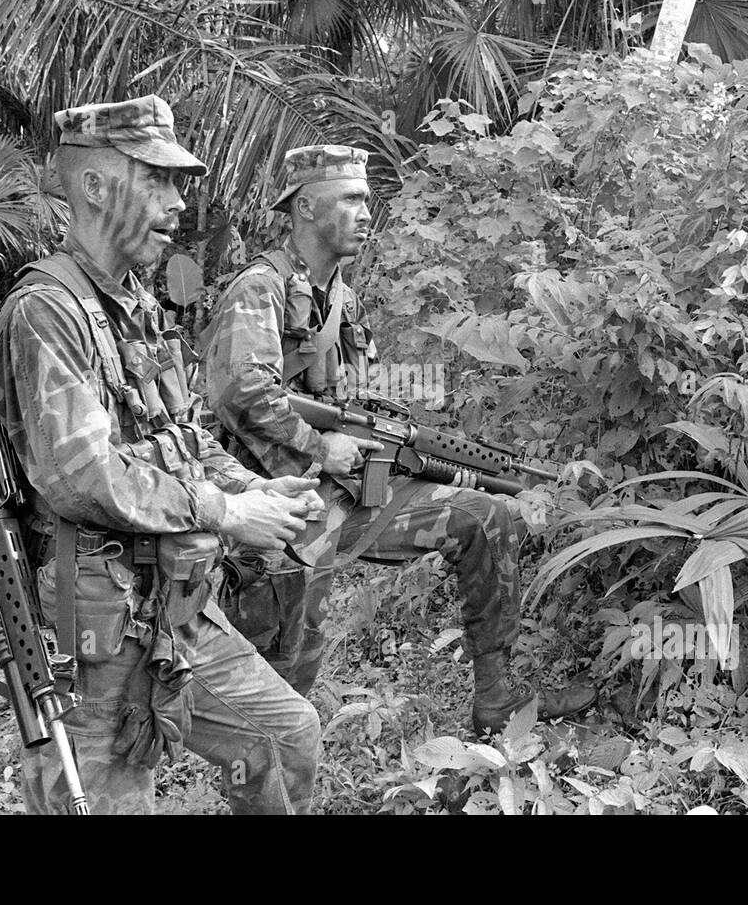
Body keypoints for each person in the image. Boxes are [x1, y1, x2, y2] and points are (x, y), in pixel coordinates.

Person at [0, 95, 323, 814]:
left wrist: (261, 491)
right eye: (157, 181)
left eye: (179, 185)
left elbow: (184, 433)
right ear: (97, 186)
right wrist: (229, 511)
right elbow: (83, 477)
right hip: (92, 629)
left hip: (174, 603)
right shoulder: (46, 312)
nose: (177, 203)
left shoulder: (134, 303)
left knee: (286, 738)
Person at [202, 145, 596, 735]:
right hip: (273, 501)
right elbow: (240, 394)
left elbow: (355, 402)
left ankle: (496, 697)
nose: (367, 212)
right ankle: (264, 743)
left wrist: (398, 445)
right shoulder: (261, 289)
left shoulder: (342, 299)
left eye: (368, 199)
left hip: (344, 491)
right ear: (306, 207)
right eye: (352, 199)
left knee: (484, 516)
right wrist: (320, 446)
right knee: (290, 662)